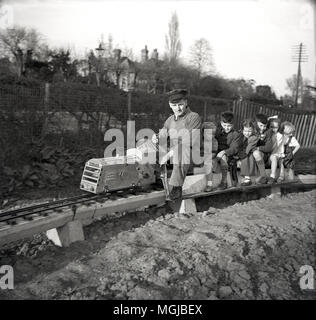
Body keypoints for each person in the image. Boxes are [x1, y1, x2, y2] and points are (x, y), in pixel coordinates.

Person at [152, 89, 202, 200]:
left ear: (186, 103)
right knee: (145, 144)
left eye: (180, 105)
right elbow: (163, 134)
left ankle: (176, 186)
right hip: (173, 151)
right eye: (174, 105)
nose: (178, 108)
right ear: (170, 105)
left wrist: (169, 154)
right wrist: (156, 137)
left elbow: (189, 141)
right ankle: (153, 179)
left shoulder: (193, 117)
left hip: (191, 153)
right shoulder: (170, 119)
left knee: (181, 150)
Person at [211, 111, 241, 191]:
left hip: (228, 154)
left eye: (229, 126)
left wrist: (224, 152)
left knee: (223, 158)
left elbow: (234, 148)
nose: (226, 128)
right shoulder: (217, 131)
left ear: (233, 125)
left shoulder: (235, 134)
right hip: (216, 152)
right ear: (221, 123)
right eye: (224, 125)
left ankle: (224, 182)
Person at [237, 119, 261, 186]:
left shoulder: (254, 137)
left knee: (248, 157)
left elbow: (248, 148)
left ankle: (247, 178)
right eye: (245, 131)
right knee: (245, 157)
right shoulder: (240, 136)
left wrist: (241, 157)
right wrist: (238, 158)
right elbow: (238, 147)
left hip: (249, 153)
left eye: (249, 131)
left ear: (253, 130)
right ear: (242, 130)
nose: (247, 133)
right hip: (241, 153)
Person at [251, 113, 274, 184]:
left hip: (263, 155)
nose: (262, 128)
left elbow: (269, 147)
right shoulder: (251, 130)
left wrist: (257, 148)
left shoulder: (268, 132)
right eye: (260, 125)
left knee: (256, 153)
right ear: (255, 123)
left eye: (264, 126)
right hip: (249, 154)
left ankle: (263, 176)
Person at [267, 117, 284, 184]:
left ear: (279, 127)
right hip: (270, 154)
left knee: (281, 160)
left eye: (276, 127)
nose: (274, 129)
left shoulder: (279, 135)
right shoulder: (268, 133)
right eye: (272, 127)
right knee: (274, 157)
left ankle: (281, 176)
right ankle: (273, 176)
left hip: (277, 153)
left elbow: (276, 147)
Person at [202, 121, 218, 192]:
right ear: (203, 133)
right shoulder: (200, 140)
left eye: (213, 134)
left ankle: (209, 184)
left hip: (211, 158)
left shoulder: (214, 141)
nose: (212, 136)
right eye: (209, 134)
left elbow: (213, 153)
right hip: (199, 158)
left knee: (209, 164)